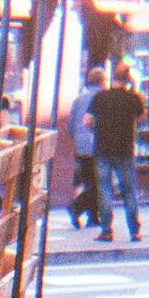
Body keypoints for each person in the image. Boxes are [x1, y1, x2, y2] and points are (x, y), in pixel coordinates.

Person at [86, 63, 145, 243]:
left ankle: (106, 230)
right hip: (125, 150)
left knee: (104, 189)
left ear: (113, 79)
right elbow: (142, 118)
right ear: (128, 80)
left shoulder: (100, 97)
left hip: (103, 148)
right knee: (129, 190)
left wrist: (98, 129)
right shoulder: (134, 98)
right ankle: (134, 231)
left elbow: (87, 121)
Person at [67, 68, 106, 229]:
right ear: (102, 81)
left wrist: (76, 138)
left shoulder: (79, 99)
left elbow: (71, 124)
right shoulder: (102, 98)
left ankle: (93, 217)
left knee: (89, 181)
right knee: (97, 183)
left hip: (80, 146)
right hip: (96, 144)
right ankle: (76, 207)